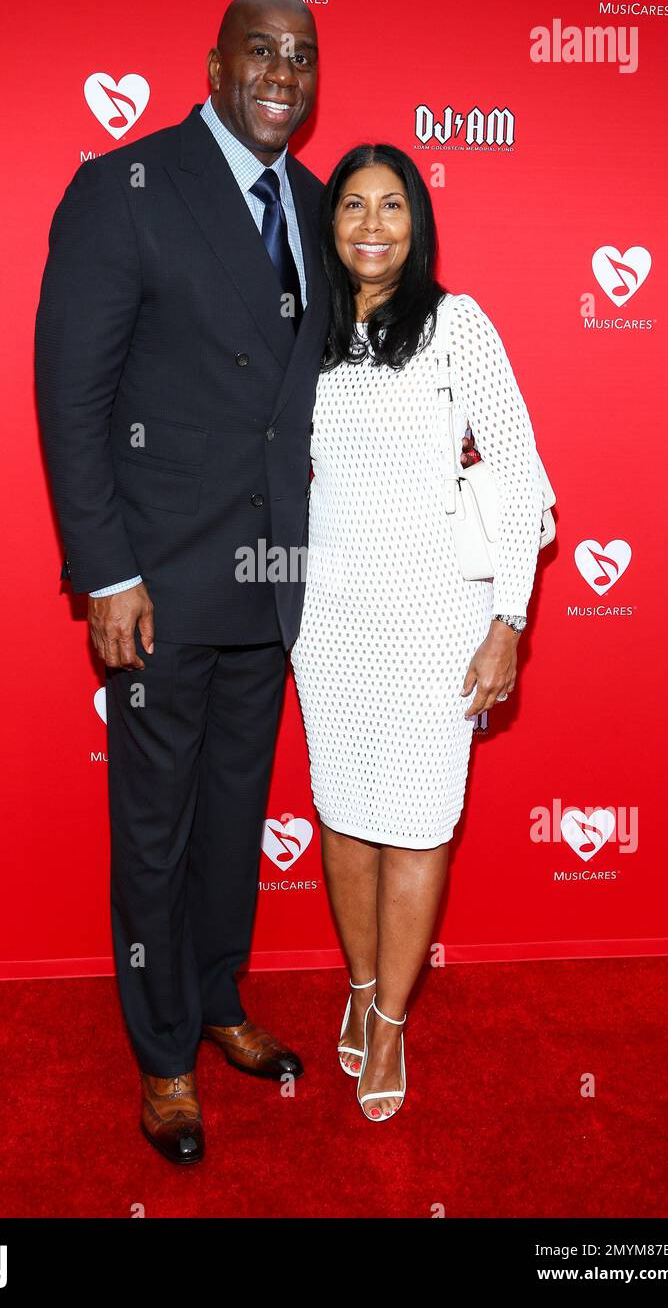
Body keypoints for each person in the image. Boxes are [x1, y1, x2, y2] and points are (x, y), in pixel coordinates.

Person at [34, 0, 330, 1165]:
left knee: (232, 817)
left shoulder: (312, 202)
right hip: (156, 586)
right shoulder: (125, 187)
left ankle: (217, 1001)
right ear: (212, 64)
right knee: (154, 828)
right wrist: (106, 572)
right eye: (261, 50)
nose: (282, 71)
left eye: (302, 57)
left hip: (271, 582)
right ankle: (162, 1055)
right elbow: (73, 398)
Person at [290, 144, 544, 1123]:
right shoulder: (303, 331)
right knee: (345, 811)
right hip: (329, 619)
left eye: (389, 205)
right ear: (329, 225)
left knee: (421, 819)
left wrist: (505, 620)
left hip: (434, 618)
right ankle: (358, 983)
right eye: (349, 205)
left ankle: (390, 1016)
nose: (368, 223)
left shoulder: (455, 325)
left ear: (416, 221)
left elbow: (516, 473)